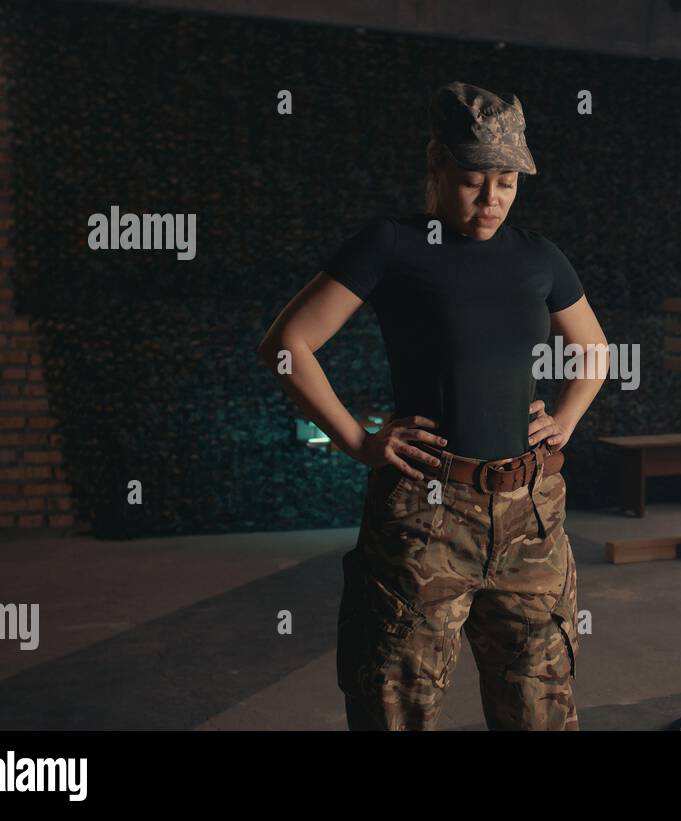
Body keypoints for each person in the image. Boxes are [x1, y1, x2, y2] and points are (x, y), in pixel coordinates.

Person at [257, 82, 609, 729]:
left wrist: (566, 418)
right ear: (436, 163)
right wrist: (358, 441)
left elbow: (594, 350)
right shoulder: (391, 245)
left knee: (542, 711)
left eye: (506, 182)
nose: (491, 198)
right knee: (397, 705)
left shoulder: (539, 258)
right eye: (475, 179)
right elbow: (287, 345)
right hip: (426, 515)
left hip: (532, 516)